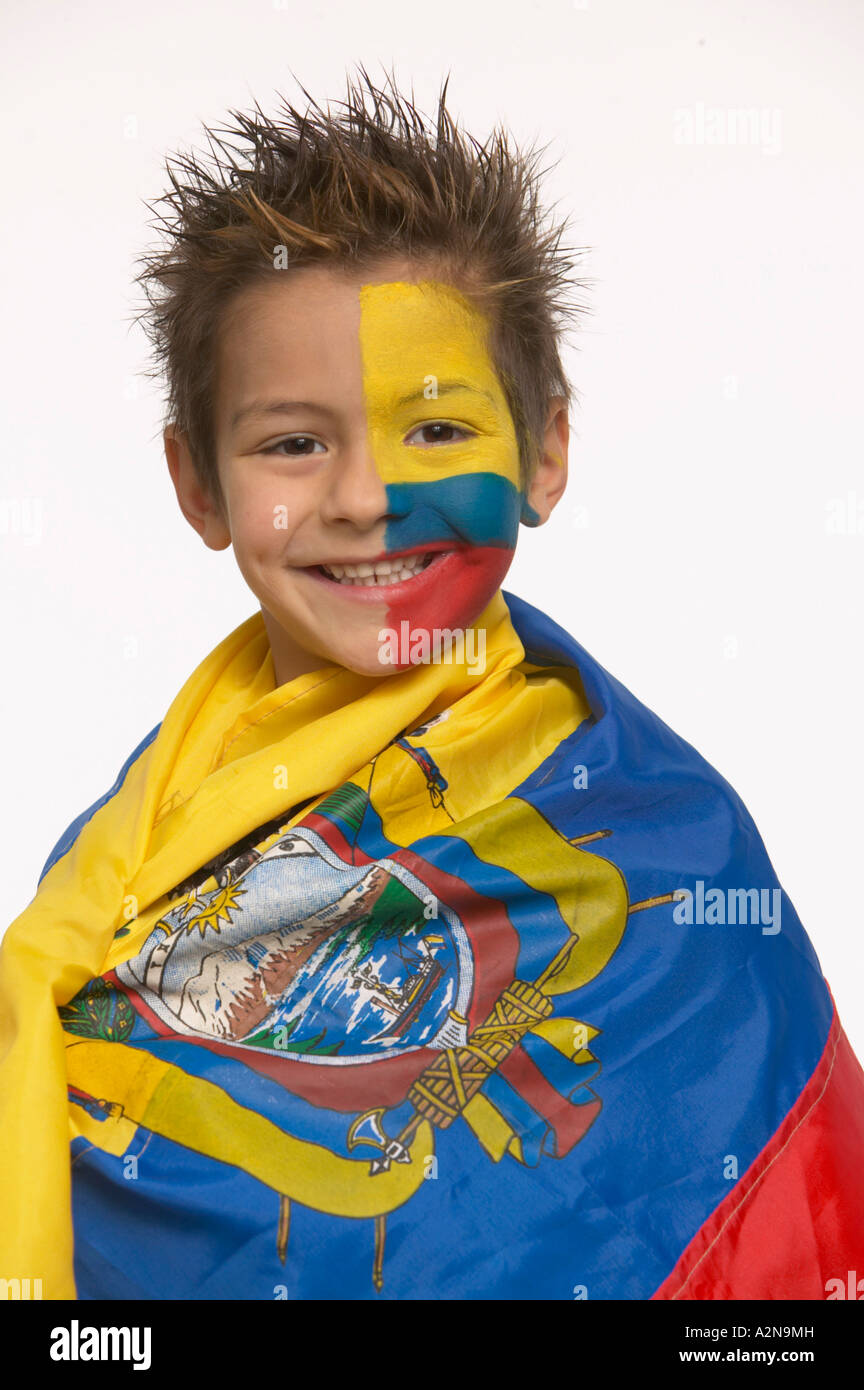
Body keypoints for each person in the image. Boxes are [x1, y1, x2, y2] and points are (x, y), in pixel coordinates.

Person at [1, 72, 862, 1303]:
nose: (367, 498)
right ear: (198, 485)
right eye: (295, 442)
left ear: (546, 453)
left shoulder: (669, 842)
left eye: (439, 432)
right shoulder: (124, 865)